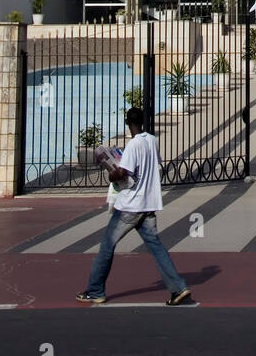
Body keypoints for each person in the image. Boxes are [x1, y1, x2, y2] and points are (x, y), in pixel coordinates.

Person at [76, 111, 192, 306]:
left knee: (107, 246)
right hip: (148, 204)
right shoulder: (152, 141)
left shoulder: (133, 145)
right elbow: (149, 165)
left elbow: (122, 173)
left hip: (130, 206)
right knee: (156, 247)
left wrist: (110, 170)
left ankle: (96, 291)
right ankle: (179, 288)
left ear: (127, 122)